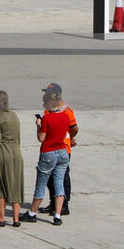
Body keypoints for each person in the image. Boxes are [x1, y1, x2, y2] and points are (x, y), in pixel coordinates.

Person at [23, 91, 77, 225]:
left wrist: (38, 126)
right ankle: (57, 215)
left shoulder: (47, 118)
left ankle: (32, 213)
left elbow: (41, 138)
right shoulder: (65, 116)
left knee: (41, 184)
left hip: (49, 152)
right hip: (63, 151)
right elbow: (69, 131)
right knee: (59, 184)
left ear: (48, 104)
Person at [0, 90, 24, 227]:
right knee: (16, 185)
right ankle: (16, 219)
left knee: (0, 186)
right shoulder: (14, 116)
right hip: (16, 152)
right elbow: (18, 137)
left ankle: (1, 218)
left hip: (3, 152)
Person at [40, 83, 77, 216]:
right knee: (50, 178)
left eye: (50, 93)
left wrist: (68, 138)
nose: (46, 95)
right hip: (50, 147)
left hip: (62, 149)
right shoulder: (48, 108)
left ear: (57, 95)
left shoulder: (66, 110)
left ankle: (64, 205)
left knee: (62, 177)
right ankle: (53, 203)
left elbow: (74, 128)